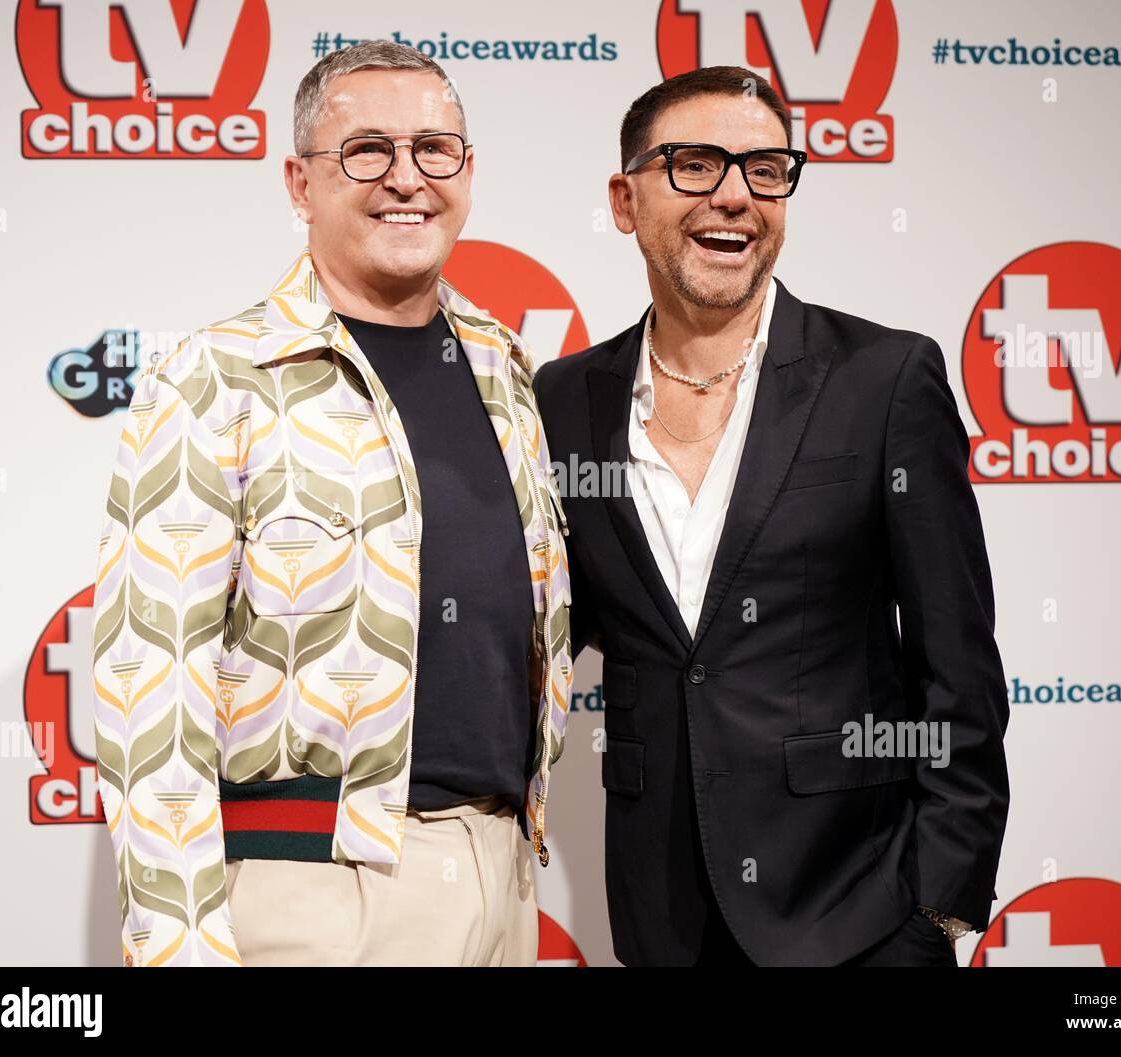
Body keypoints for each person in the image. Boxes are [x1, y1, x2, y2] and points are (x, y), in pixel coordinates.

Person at [91, 41, 571, 967]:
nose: (406, 178)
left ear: (468, 174)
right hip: (311, 890)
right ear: (300, 183)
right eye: (366, 151)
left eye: (436, 148)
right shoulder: (214, 377)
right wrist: (180, 943)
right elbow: (149, 683)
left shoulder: (502, 364)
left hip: (504, 881)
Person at [533, 66, 1009, 966]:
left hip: (860, 916)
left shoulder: (883, 379)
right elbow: (554, 623)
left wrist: (937, 911)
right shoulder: (563, 399)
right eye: (695, 165)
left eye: (765, 169)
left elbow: (961, 673)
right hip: (661, 915)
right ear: (625, 198)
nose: (736, 197)